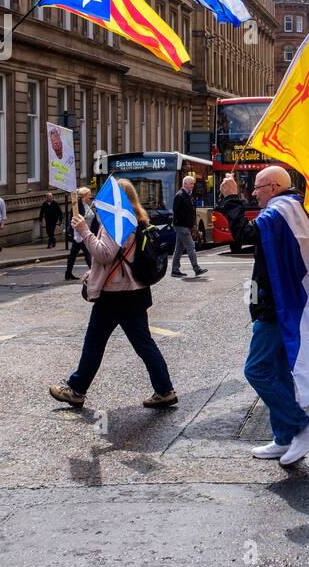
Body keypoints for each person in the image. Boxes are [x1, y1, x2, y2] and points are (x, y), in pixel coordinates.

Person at [219, 167, 309, 466]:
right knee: (279, 370)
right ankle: (284, 438)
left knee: (256, 370)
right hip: (288, 303)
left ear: (273, 186)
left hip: (277, 306)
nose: (253, 193)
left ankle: (303, 427)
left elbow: (244, 234)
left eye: (257, 187)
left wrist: (231, 199)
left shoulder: (280, 211)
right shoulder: (294, 208)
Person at [49, 180, 178, 409]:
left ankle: (76, 390)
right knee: (144, 344)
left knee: (94, 343)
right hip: (135, 292)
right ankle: (164, 390)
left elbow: (105, 253)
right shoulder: (135, 220)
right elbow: (121, 259)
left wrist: (84, 230)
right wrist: (95, 270)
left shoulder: (116, 222)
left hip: (114, 296)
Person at [170, 174, 207, 277]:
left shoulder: (188, 195)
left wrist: (193, 224)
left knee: (179, 248)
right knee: (191, 246)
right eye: (191, 184)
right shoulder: (180, 195)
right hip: (181, 225)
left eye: (193, 184)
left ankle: (175, 270)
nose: (193, 186)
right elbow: (176, 211)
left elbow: (191, 211)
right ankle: (196, 268)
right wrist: (188, 222)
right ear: (185, 184)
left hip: (184, 225)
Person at [64, 186, 94, 280]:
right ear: (85, 195)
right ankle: (94, 272)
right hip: (79, 233)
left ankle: (68, 273)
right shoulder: (77, 205)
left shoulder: (87, 205)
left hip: (86, 232)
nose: (91, 195)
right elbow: (73, 219)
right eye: (89, 194)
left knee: (73, 254)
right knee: (88, 252)